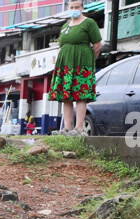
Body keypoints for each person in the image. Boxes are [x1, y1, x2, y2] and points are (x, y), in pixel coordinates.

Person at [49, 0, 104, 135]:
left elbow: (97, 45)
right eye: (72, 7)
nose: (74, 9)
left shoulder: (89, 23)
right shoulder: (65, 26)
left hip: (82, 64)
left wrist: (90, 60)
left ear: (82, 8)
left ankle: (79, 128)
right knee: (65, 96)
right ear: (68, 8)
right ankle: (67, 128)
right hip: (65, 65)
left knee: (81, 96)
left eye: (77, 7)